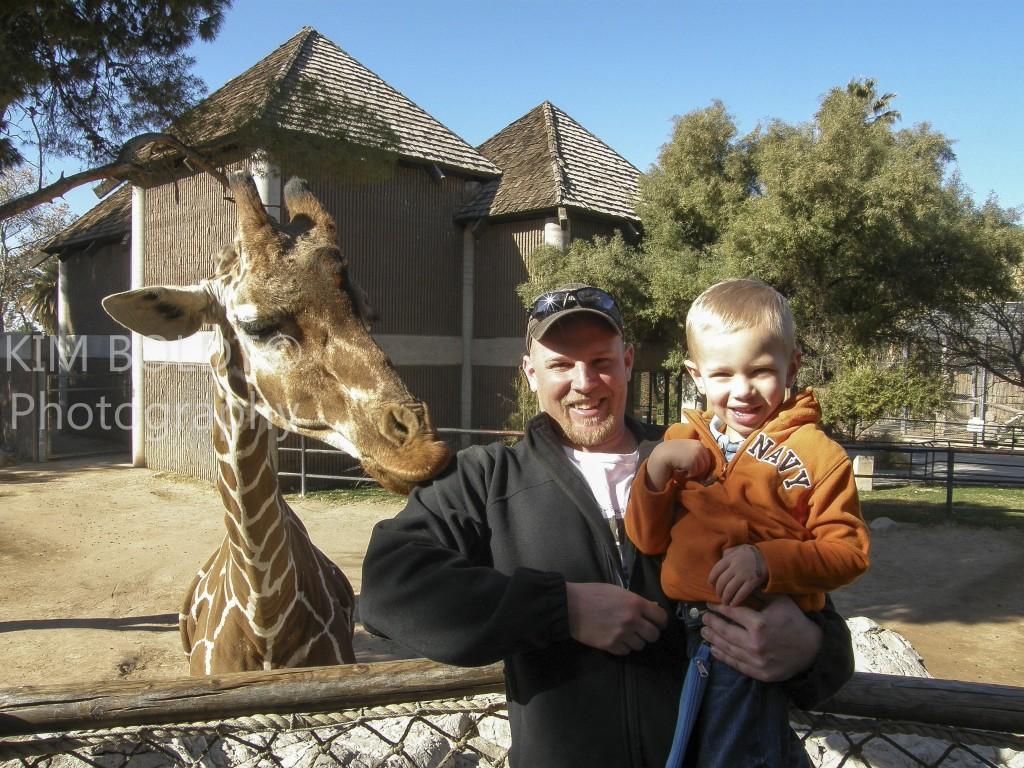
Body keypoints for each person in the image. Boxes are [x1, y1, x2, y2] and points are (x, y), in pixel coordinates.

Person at [360, 283, 855, 767]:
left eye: (601, 361)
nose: (585, 382)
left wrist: (809, 650)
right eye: (561, 365)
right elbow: (390, 587)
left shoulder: (706, 462)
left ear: (628, 362)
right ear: (530, 373)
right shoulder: (486, 478)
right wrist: (562, 608)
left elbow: (818, 616)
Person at [625, 277, 870, 767]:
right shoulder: (680, 441)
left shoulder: (819, 455)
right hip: (689, 631)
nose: (742, 391)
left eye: (760, 371)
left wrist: (766, 561)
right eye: (722, 374)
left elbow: (849, 553)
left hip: (755, 626)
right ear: (695, 375)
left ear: (792, 366)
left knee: (733, 754)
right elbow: (647, 540)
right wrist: (654, 473)